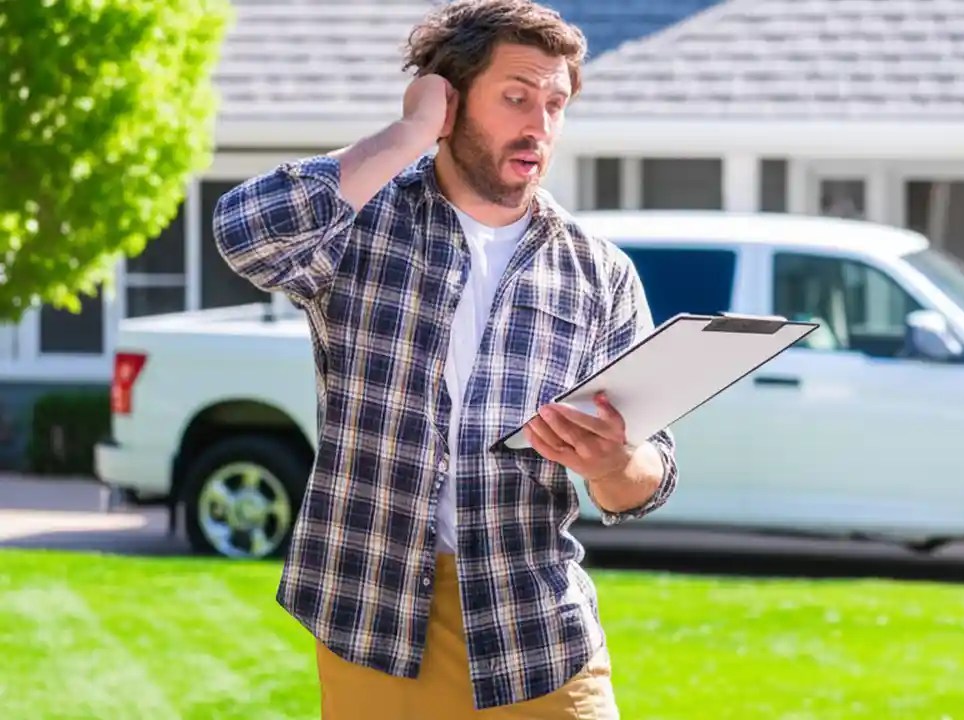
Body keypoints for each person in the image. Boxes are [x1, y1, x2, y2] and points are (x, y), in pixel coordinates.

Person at [210, 1, 679, 717]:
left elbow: (644, 485)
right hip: (374, 613)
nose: (539, 125)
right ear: (451, 101)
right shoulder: (362, 224)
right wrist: (408, 134)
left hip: (535, 628)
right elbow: (247, 232)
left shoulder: (597, 271)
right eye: (516, 97)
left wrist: (614, 461)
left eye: (555, 104)